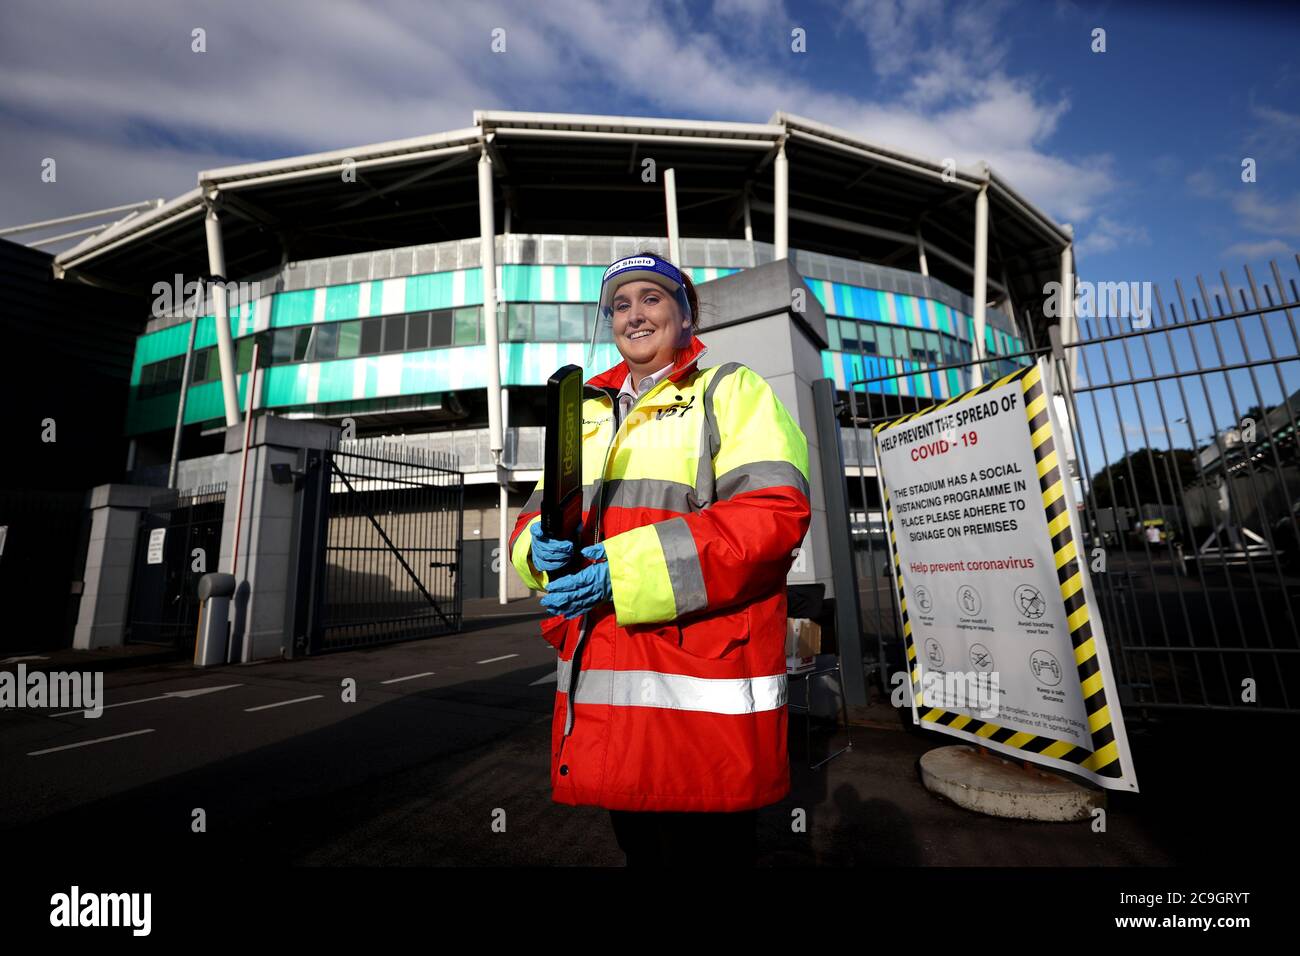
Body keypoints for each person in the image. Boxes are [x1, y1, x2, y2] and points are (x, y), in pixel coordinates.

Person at [508, 250, 811, 866]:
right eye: (620, 304)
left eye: (651, 298)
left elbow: (772, 518)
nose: (634, 315)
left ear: (684, 314)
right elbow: (531, 523)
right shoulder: (585, 413)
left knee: (705, 856)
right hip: (608, 691)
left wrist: (623, 572)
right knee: (640, 852)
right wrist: (535, 549)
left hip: (699, 695)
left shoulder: (731, 390)